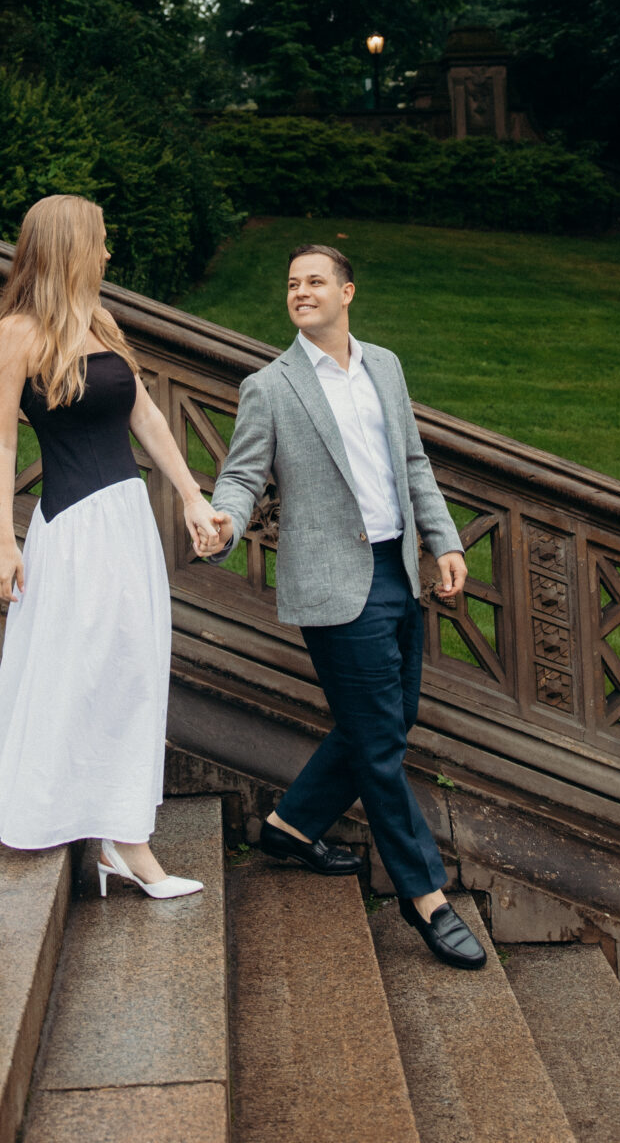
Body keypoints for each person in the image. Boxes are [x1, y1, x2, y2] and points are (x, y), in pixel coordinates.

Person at [206, 243, 487, 968]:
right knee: (381, 747)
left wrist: (442, 539)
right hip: (333, 585)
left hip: (395, 568)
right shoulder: (269, 387)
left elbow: (413, 461)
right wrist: (223, 522)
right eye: (292, 283)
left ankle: (291, 824)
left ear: (347, 293)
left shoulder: (384, 367)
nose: (300, 292)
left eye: (314, 282)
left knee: (383, 723)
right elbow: (241, 476)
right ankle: (425, 897)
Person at [0, 193, 222, 897]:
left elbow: (143, 413)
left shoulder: (102, 320)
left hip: (126, 522)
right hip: (73, 529)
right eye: (101, 241)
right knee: (93, 671)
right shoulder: (16, 336)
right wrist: (2, 539)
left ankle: (121, 836)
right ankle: (119, 838)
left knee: (134, 669)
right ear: (68, 248)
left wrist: (189, 494)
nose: (109, 252)